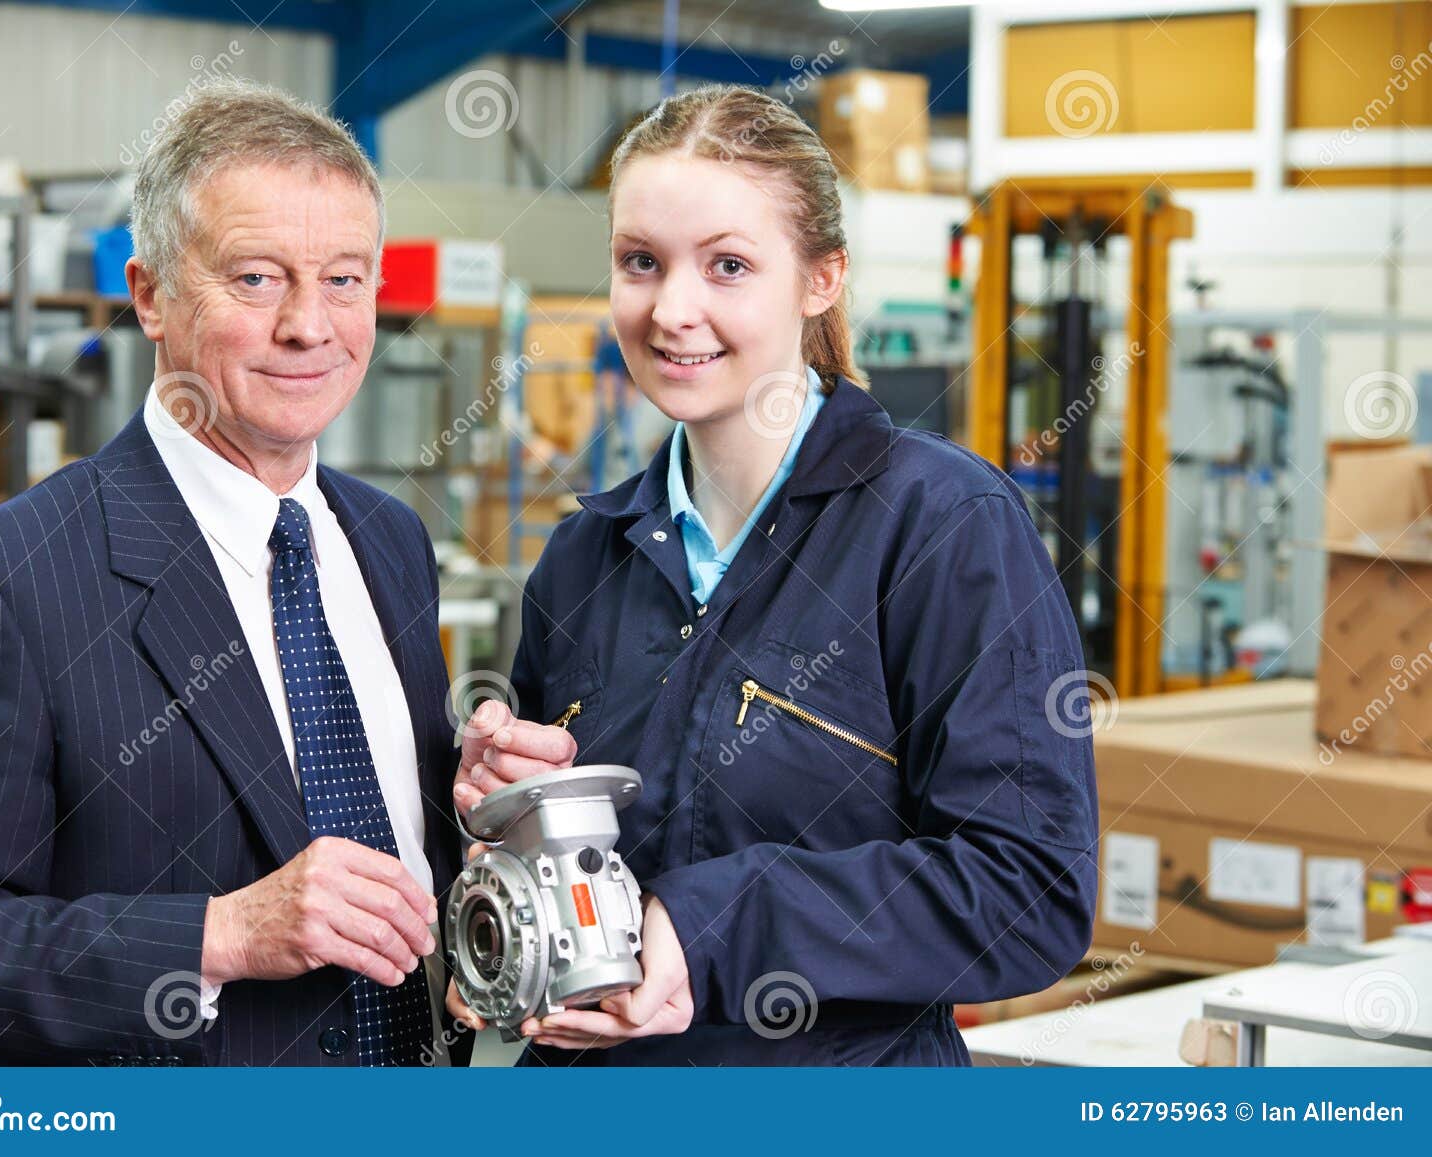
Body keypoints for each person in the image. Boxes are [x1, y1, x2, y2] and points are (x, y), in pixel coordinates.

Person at [0, 78, 572, 1067]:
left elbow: (349, 804)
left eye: (346, 279)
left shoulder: (388, 542)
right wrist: (219, 934)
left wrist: (467, 796)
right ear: (149, 294)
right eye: (257, 278)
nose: (310, 326)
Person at [450, 85, 1099, 1066]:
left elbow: (1026, 892)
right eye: (641, 263)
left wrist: (711, 927)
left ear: (820, 278)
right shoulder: (585, 552)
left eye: (728, 265)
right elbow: (569, 877)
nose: (673, 309)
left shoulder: (942, 528)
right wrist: (502, 814)